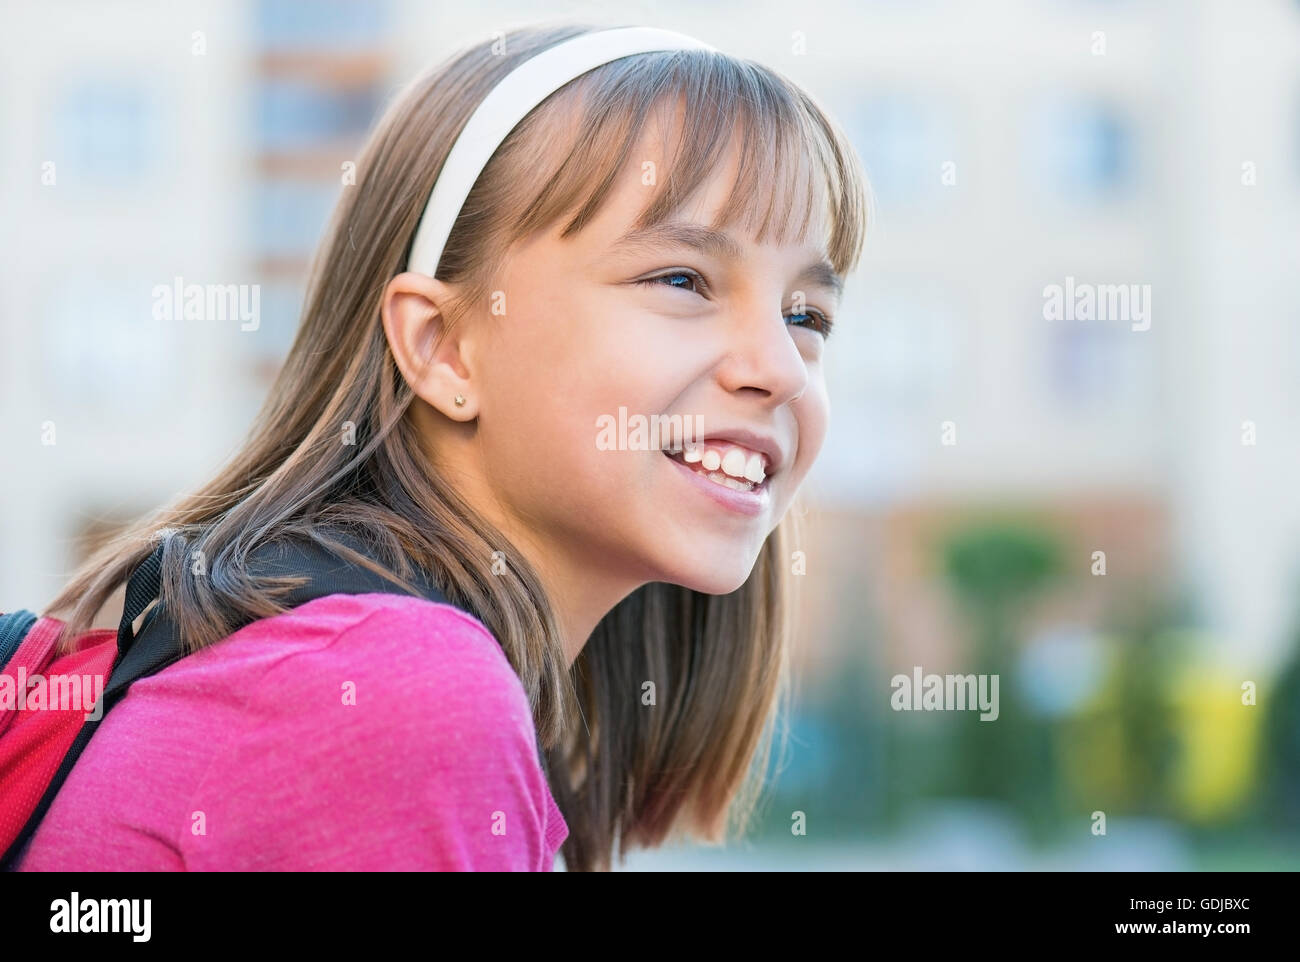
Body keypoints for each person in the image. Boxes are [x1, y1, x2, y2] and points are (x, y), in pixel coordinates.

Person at [16, 20, 869, 872]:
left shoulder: (344, 657)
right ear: (443, 347)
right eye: (681, 280)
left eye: (807, 316)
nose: (779, 369)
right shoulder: (394, 691)